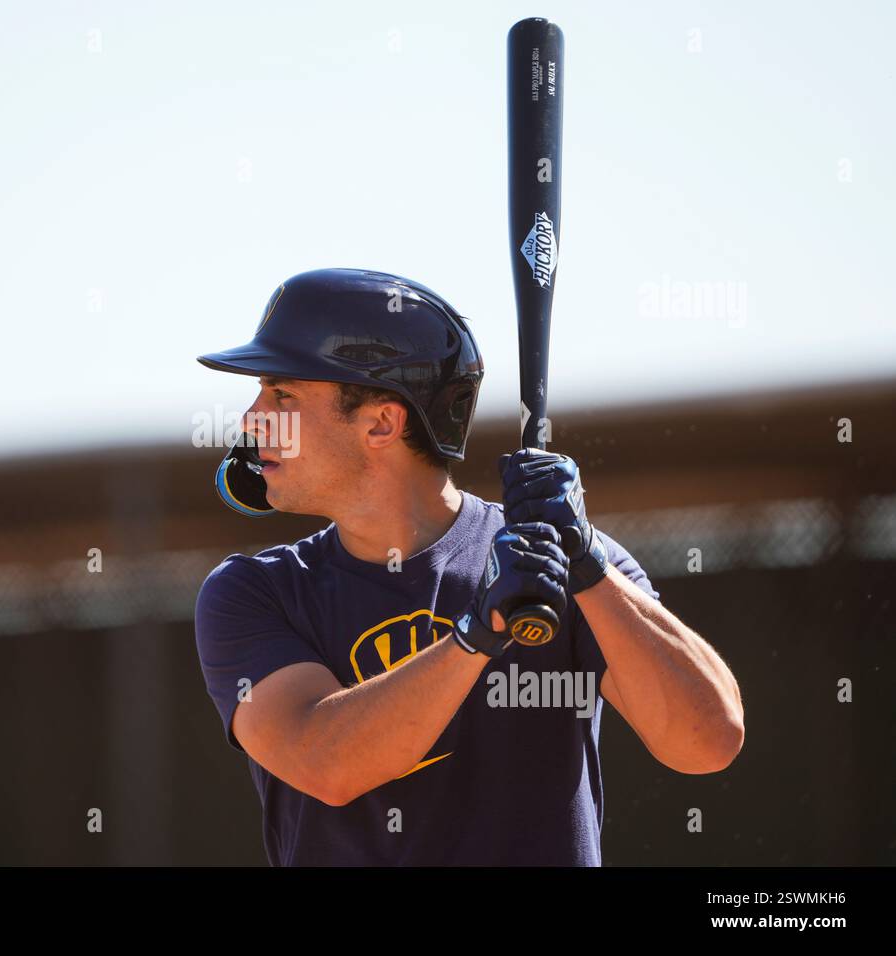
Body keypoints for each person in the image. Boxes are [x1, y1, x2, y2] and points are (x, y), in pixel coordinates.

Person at [193, 267, 745, 866]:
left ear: (382, 422)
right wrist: (477, 635)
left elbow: (708, 741)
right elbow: (326, 763)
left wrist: (588, 567)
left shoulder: (566, 563)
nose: (251, 420)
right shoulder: (254, 593)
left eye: (282, 396)